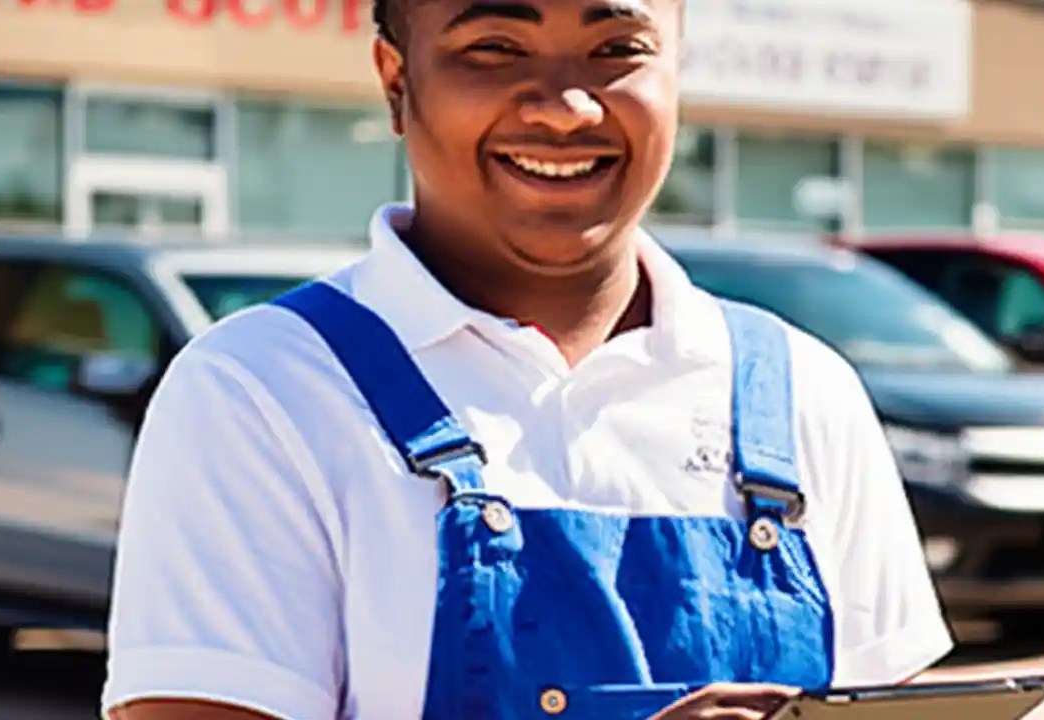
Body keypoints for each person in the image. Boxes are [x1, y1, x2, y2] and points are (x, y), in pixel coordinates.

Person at [101, 0, 954, 717]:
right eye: (494, 48)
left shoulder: (803, 390)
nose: (565, 107)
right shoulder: (261, 392)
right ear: (398, 85)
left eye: (617, 48)